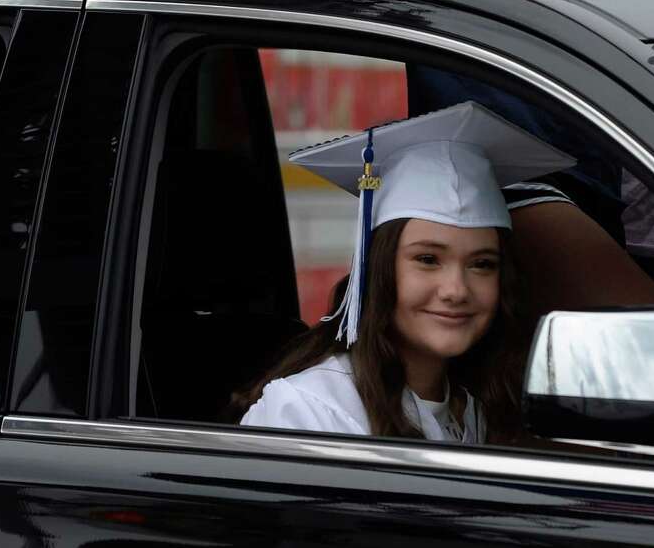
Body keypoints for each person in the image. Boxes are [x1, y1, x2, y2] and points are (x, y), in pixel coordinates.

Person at [237, 103, 573, 442]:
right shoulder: (308, 412)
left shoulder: (479, 408)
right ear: (378, 268)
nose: (456, 289)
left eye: (482, 264)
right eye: (427, 259)